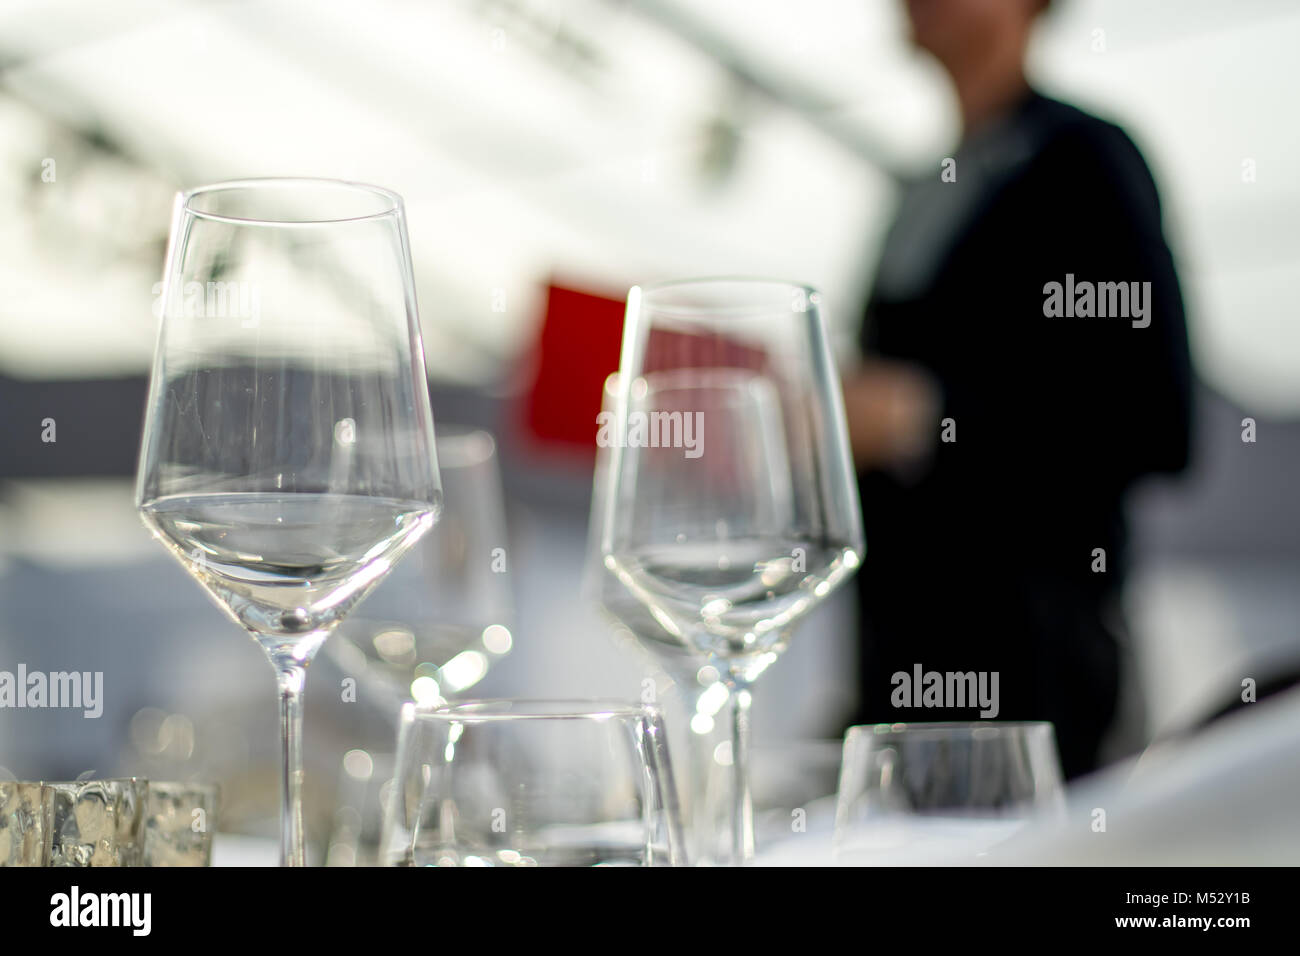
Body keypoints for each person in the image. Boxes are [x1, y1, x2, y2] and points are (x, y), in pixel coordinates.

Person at [842, 0, 1193, 778]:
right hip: (894, 683)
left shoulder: (1085, 159)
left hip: (1037, 691)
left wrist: (921, 416)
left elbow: (1158, 420)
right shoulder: (924, 183)